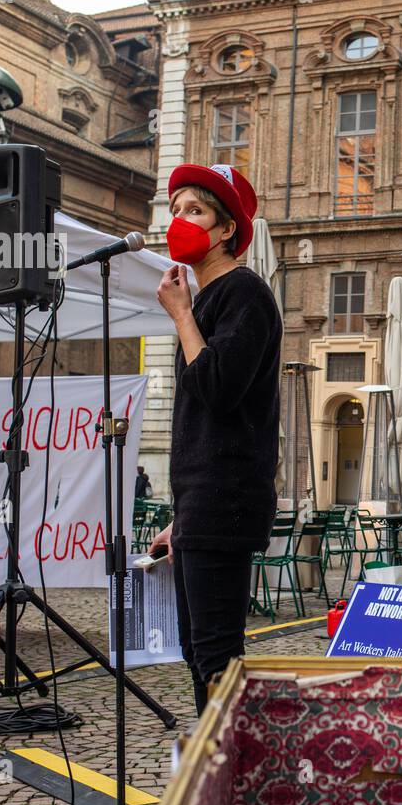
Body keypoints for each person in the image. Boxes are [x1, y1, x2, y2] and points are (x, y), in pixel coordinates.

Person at [148, 162, 280, 716]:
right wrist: (182, 516)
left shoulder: (244, 292)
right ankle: (219, 770)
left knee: (217, 656)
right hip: (203, 504)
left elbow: (219, 389)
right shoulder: (205, 300)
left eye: (195, 210)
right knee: (196, 650)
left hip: (227, 503)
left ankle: (232, 777)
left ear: (226, 230)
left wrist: (180, 315)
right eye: (175, 209)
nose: (180, 220)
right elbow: (203, 421)